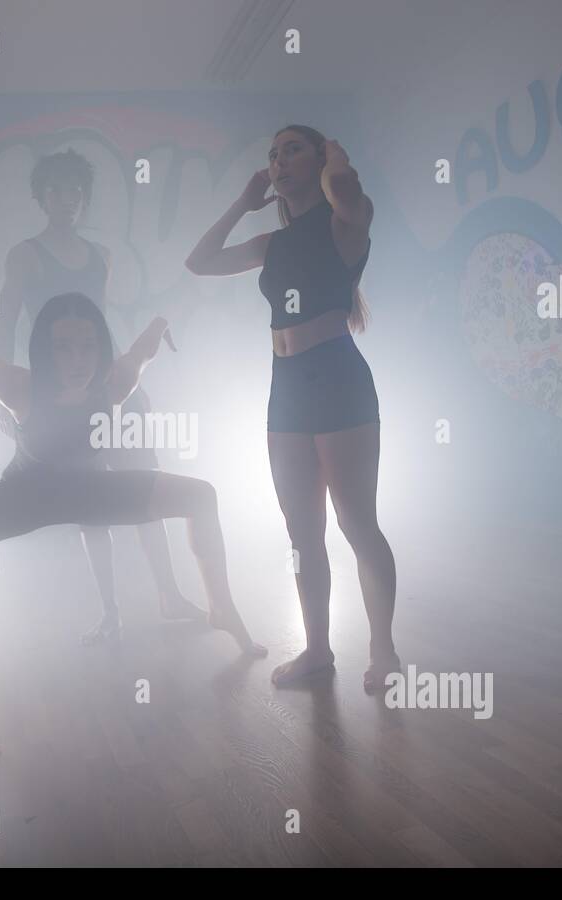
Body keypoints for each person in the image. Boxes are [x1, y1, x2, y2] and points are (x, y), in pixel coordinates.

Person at [0, 292, 266, 715]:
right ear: (45, 351)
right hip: (25, 495)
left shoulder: (114, 383)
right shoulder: (18, 386)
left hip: (93, 491)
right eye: (64, 347)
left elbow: (143, 350)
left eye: (89, 346)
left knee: (201, 496)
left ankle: (223, 609)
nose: (79, 360)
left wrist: (162, 322)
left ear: (101, 348)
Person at [185, 125, 400, 692]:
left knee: (357, 524)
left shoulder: (342, 223)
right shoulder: (271, 244)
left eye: (292, 150)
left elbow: (348, 190)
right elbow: (199, 262)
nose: (278, 161)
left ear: (321, 159)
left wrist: (336, 157)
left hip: (338, 380)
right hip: (286, 389)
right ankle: (318, 650)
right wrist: (243, 200)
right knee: (302, 534)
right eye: (272, 153)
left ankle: (384, 651)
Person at [0, 149, 204, 644]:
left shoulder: (101, 256)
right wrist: (3, 399)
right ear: (41, 196)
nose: (66, 200)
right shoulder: (25, 254)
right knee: (90, 503)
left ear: (83, 197)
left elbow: (101, 326)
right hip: (57, 397)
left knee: (143, 484)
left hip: (107, 385)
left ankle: (169, 594)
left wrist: (125, 381)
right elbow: (4, 323)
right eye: (56, 190)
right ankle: (111, 613)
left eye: (75, 191)